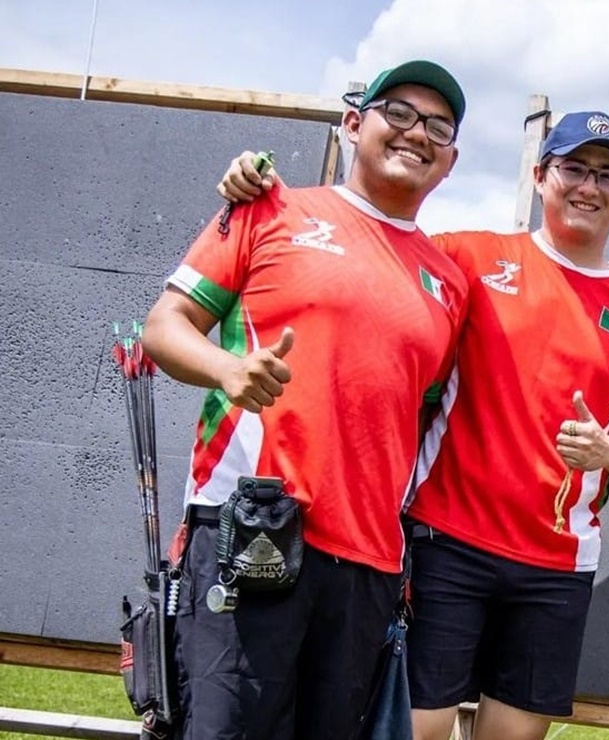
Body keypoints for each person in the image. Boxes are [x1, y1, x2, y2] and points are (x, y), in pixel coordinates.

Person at [219, 110, 609, 740]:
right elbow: (366, 241)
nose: (588, 187)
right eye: (573, 168)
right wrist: (261, 192)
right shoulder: (467, 258)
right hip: (445, 543)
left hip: (556, 566)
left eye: (608, 175)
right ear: (541, 176)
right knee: (416, 729)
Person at [142, 60, 469, 740]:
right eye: (398, 113)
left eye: (437, 125)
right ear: (354, 123)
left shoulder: (448, 282)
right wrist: (228, 371)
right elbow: (163, 328)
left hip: (370, 563)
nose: (417, 133)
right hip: (251, 531)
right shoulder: (269, 207)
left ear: (452, 159)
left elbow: (419, 410)